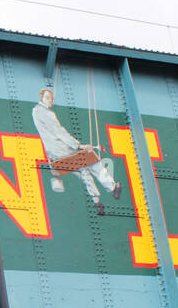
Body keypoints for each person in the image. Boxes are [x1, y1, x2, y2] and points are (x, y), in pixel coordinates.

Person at [31, 87, 121, 215]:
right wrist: (79, 146)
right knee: (93, 161)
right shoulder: (47, 113)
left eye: (51, 98)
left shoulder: (35, 111)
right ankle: (112, 188)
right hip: (62, 151)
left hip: (54, 156)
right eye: (47, 98)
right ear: (41, 98)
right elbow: (60, 132)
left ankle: (97, 202)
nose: (50, 101)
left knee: (84, 172)